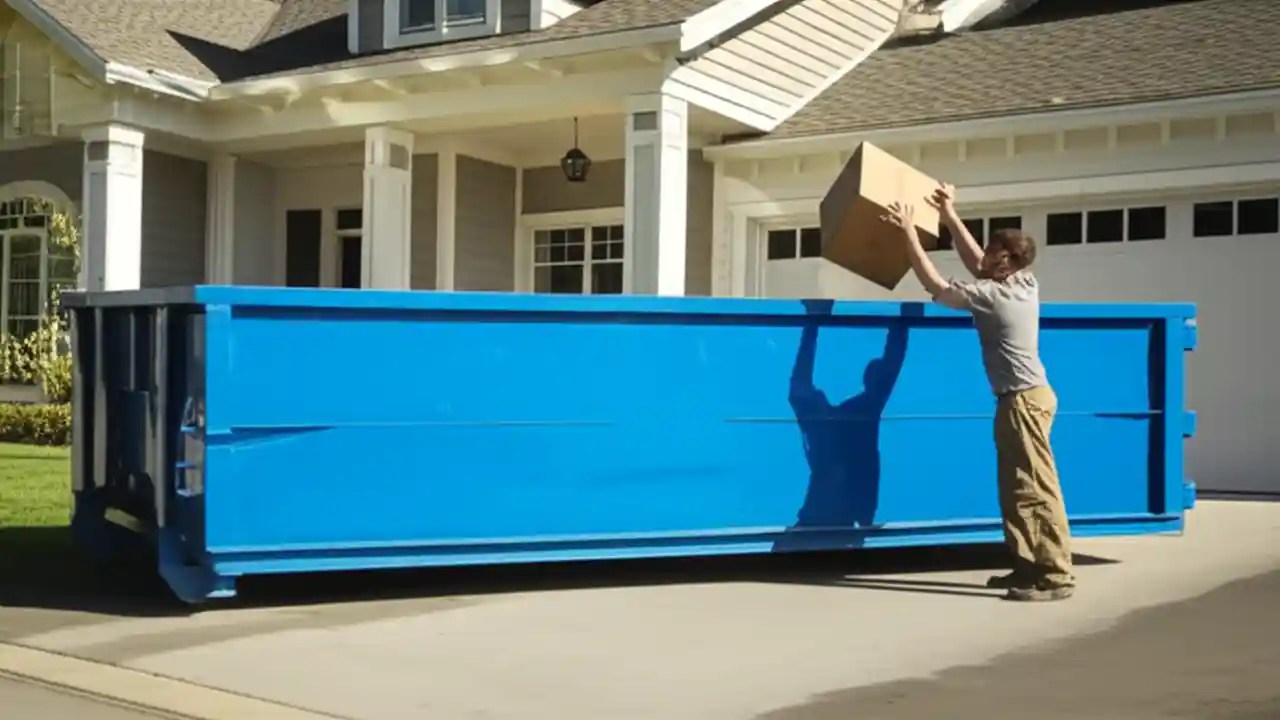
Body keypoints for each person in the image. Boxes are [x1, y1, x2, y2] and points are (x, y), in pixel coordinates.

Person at [881, 183, 1075, 602]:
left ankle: (1056, 576)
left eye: (991, 252)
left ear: (1006, 261)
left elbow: (937, 287)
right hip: (1022, 399)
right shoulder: (1023, 282)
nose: (982, 256)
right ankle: (1027, 567)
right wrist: (949, 214)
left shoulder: (996, 297)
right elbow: (976, 263)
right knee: (1015, 489)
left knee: (1037, 489)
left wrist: (909, 234)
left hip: (1024, 401)